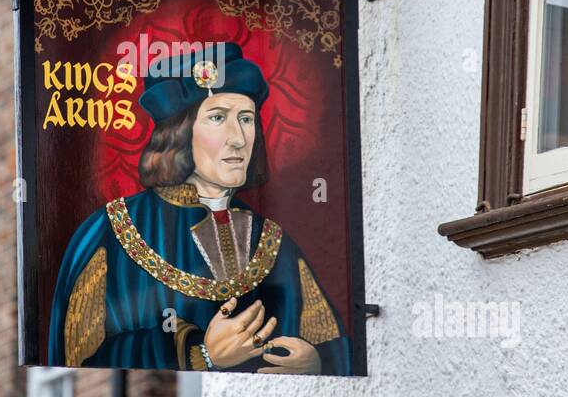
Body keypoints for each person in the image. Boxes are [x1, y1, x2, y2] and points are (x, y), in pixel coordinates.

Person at [47, 43, 351, 373]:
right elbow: (76, 362)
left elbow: (333, 342)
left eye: (246, 118)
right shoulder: (109, 233)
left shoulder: (273, 240)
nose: (238, 138)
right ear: (178, 133)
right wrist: (201, 354)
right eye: (217, 117)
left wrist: (318, 361)